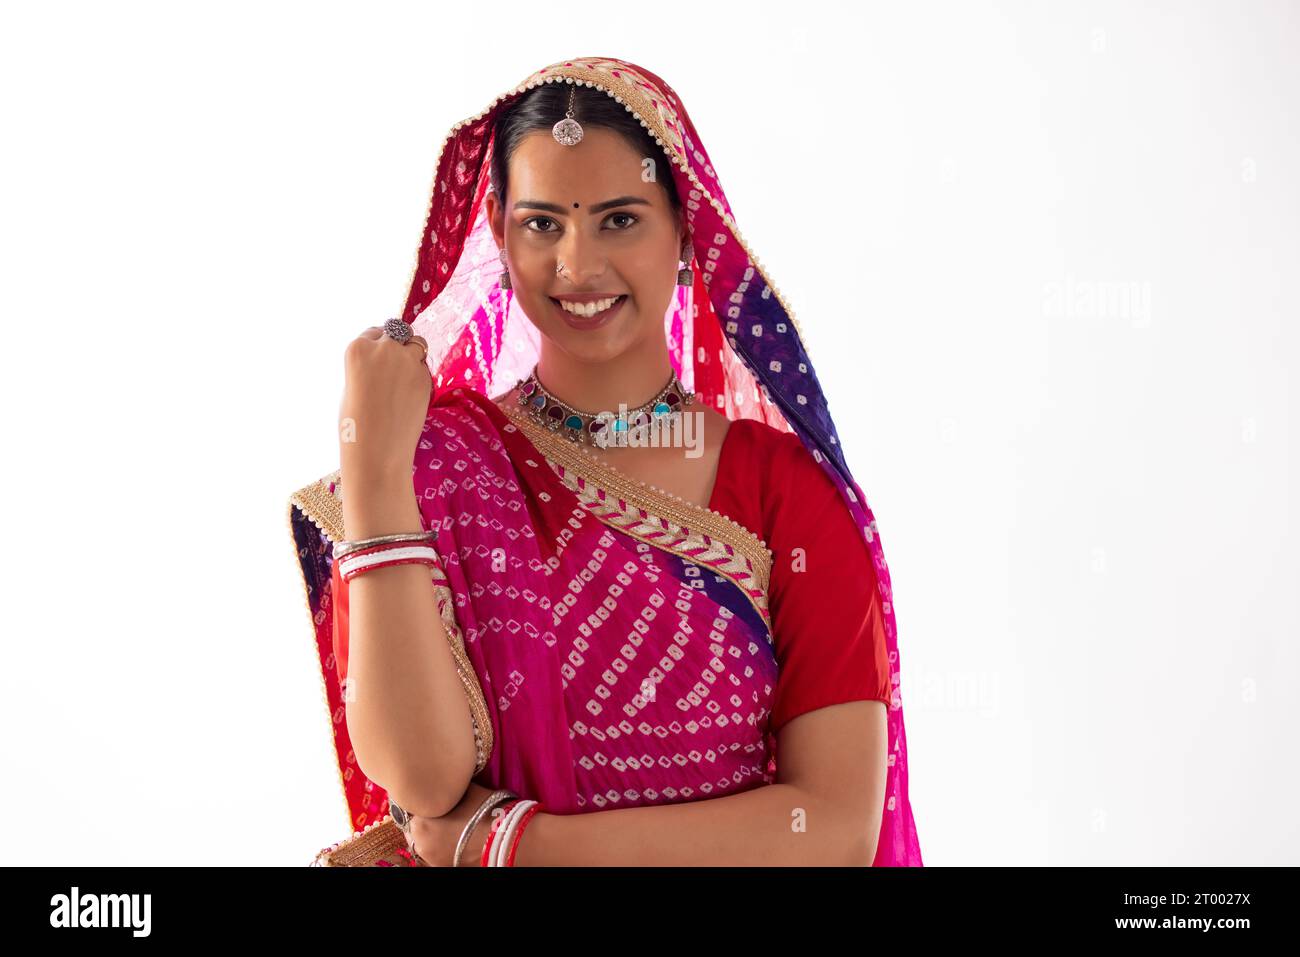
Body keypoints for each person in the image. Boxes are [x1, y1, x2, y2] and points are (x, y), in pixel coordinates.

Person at [289, 56, 922, 866]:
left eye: (619, 220)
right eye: (542, 223)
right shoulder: (436, 470)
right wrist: (375, 471)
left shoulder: (787, 495)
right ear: (495, 227)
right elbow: (423, 774)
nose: (578, 266)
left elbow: (832, 829)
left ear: (685, 225)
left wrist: (518, 844)